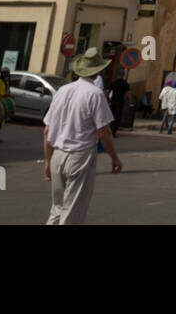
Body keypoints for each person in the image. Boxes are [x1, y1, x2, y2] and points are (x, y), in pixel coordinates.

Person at [43, 48, 122, 224]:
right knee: (72, 211)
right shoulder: (95, 94)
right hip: (80, 156)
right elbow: (104, 132)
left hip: (58, 155)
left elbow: (47, 130)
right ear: (98, 71)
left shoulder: (62, 91)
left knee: (57, 208)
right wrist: (114, 158)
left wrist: (48, 160)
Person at [108, 71, 130, 136]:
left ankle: (110, 130)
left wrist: (108, 99)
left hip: (113, 102)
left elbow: (108, 91)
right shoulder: (125, 83)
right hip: (120, 102)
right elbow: (128, 93)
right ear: (123, 75)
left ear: (117, 75)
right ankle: (113, 132)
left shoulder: (113, 82)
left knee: (111, 116)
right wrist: (130, 101)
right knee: (117, 117)